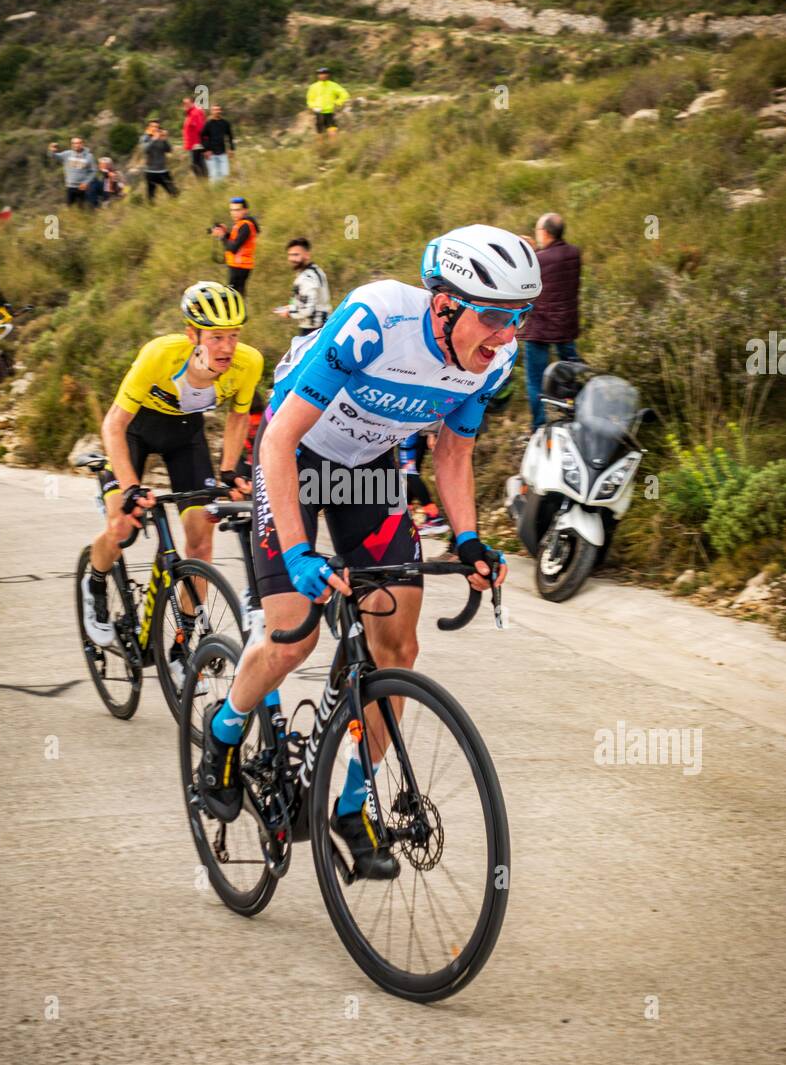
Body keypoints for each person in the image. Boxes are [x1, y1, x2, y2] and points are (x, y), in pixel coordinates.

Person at [197, 224, 541, 878]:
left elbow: (453, 449)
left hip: (370, 469)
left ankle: (352, 805)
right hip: (295, 454)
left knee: (397, 646)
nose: (508, 335)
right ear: (444, 303)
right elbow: (275, 444)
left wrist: (467, 538)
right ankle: (224, 730)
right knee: (292, 638)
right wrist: (300, 552)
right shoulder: (376, 322)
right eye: (495, 316)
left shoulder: (491, 361)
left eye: (519, 317)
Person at [81, 282, 263, 670]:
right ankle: (95, 582)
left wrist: (229, 471)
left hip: (186, 437)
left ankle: (184, 647)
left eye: (233, 336)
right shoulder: (159, 355)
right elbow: (114, 424)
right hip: (135, 432)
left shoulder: (248, 363)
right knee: (123, 527)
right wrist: (130, 488)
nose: (227, 347)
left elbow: (237, 417)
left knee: (200, 541)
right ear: (192, 334)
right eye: (216, 337)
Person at [522, 212, 582, 430]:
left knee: (535, 381)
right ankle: (576, 413)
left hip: (539, 329)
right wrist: (537, 251)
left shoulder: (538, 259)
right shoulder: (574, 254)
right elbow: (553, 266)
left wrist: (529, 251)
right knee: (572, 375)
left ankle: (539, 426)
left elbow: (535, 269)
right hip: (565, 327)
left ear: (545, 233)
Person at [274, 238, 331, 336]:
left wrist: (289, 312)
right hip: (324, 325)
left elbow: (307, 309)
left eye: (296, 255)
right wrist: (291, 306)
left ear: (307, 255)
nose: (292, 259)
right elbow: (313, 301)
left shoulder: (306, 279)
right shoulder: (316, 270)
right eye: (290, 255)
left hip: (313, 330)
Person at [399, 424, 449, 536]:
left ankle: (433, 516)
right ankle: (405, 518)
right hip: (416, 429)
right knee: (412, 472)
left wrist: (431, 433)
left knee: (408, 473)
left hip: (412, 429)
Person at [211, 197, 259, 297]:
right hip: (238, 266)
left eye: (237, 210)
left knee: (234, 298)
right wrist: (225, 233)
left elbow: (233, 248)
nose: (234, 213)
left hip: (240, 267)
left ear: (245, 210)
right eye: (232, 210)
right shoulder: (241, 224)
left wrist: (222, 236)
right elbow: (234, 241)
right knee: (236, 297)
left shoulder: (246, 226)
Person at [48, 138, 98, 206]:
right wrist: (51, 151)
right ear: (71, 145)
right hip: (70, 186)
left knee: (82, 208)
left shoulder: (89, 156)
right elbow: (53, 156)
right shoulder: (67, 154)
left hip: (82, 187)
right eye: (74, 143)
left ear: (82, 144)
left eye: (78, 143)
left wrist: (86, 182)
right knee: (70, 208)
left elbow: (93, 171)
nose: (76, 145)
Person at [306, 67, 349, 136]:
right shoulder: (313, 86)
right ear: (317, 75)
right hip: (319, 113)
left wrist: (338, 102)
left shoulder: (334, 85)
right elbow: (309, 100)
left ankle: (334, 146)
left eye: (325, 73)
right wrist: (313, 107)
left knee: (333, 133)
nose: (323, 75)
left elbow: (344, 94)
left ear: (328, 75)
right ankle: (321, 146)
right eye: (320, 74)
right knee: (320, 134)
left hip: (330, 112)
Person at [140, 121, 177, 202]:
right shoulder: (145, 138)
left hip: (163, 171)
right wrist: (153, 139)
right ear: (148, 128)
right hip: (150, 172)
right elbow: (145, 150)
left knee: (174, 193)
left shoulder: (161, 138)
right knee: (151, 198)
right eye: (153, 126)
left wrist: (165, 139)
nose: (155, 128)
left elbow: (169, 150)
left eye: (157, 127)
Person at [200, 104, 235, 182]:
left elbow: (230, 136)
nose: (217, 111)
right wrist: (206, 150)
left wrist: (231, 149)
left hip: (222, 152)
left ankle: (222, 192)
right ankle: (213, 193)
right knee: (214, 175)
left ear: (221, 111)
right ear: (211, 112)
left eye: (218, 110)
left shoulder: (225, 123)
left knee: (224, 174)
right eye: (215, 110)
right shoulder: (208, 124)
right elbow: (202, 137)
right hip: (211, 154)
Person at [181, 96, 207, 179]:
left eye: (187, 103)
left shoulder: (195, 113)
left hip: (196, 144)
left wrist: (203, 143)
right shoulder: (190, 113)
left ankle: (203, 182)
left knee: (196, 165)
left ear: (192, 103)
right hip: (192, 144)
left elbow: (201, 128)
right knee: (197, 164)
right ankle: (203, 183)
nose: (185, 105)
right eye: (184, 103)